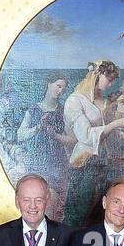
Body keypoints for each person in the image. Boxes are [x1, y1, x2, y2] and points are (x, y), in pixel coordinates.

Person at [62, 60, 124, 224]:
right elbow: (85, 136)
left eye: (114, 80)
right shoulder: (75, 101)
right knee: (79, 212)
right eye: (109, 79)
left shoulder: (103, 100)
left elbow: (104, 132)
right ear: (97, 75)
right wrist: (116, 124)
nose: (111, 84)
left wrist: (122, 134)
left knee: (101, 215)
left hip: (105, 163)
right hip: (85, 163)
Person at [14, 76, 74, 218]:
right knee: (41, 205)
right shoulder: (34, 109)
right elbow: (20, 135)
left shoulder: (64, 111)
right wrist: (38, 127)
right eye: (58, 86)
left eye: (63, 89)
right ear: (49, 84)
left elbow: (72, 139)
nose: (60, 91)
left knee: (58, 209)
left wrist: (55, 135)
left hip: (58, 164)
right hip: (38, 163)